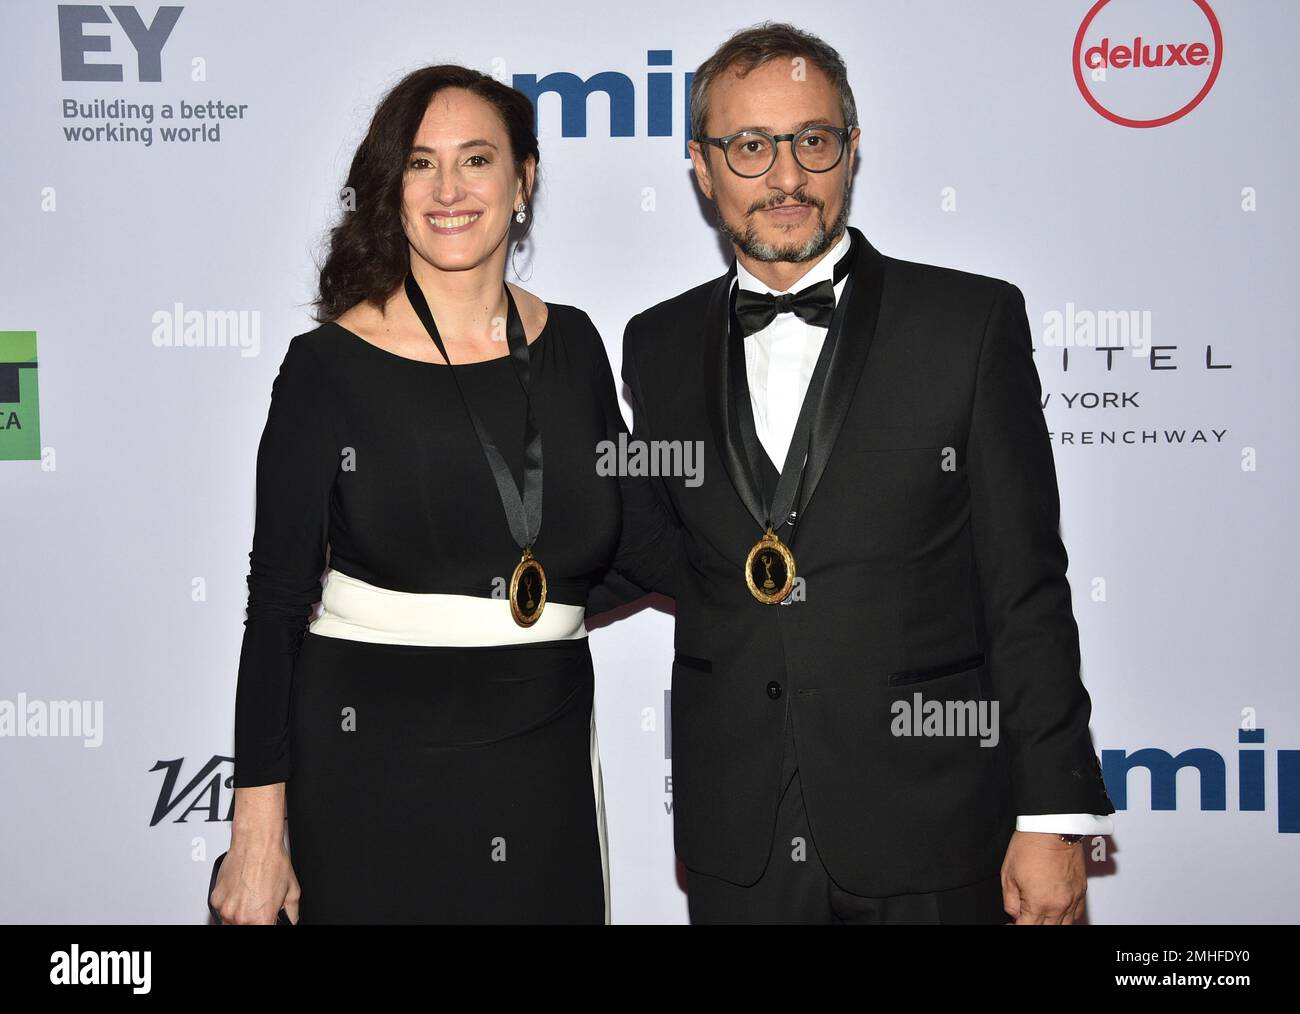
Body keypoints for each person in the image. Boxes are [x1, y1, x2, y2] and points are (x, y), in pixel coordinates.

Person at [614, 22, 1116, 924]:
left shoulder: (968, 324)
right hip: (741, 837)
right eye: (749, 147)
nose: (785, 177)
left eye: (813, 140)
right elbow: (657, 547)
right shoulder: (654, 344)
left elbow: (1026, 588)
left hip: (933, 823)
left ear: (852, 149)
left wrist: (1054, 812)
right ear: (701, 166)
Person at [209, 64, 663, 924]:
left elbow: (641, 539)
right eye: (421, 163)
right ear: (391, 188)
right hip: (370, 757)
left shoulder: (575, 345)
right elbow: (274, 608)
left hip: (543, 750)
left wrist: (792, 549)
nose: (449, 189)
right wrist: (257, 833)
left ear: (524, 179)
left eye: (477, 159)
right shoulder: (327, 369)